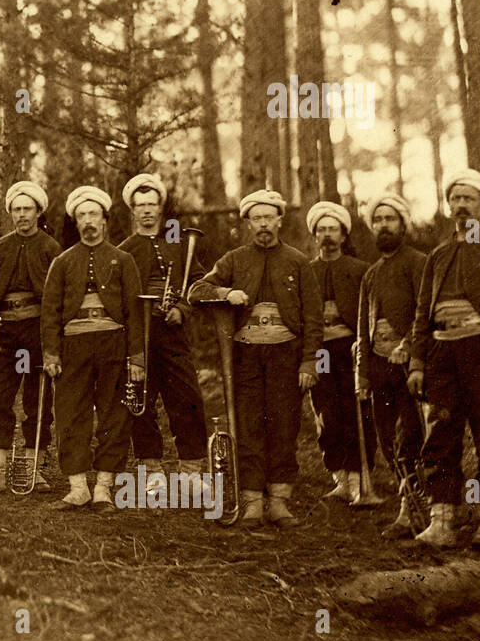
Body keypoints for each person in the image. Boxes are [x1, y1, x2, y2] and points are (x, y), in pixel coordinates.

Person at [188, 190, 323, 527]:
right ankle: (251, 502)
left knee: (283, 424)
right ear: (247, 223)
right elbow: (195, 291)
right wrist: (225, 292)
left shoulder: (297, 261)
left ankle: (278, 501)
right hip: (245, 356)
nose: (263, 224)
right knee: (247, 425)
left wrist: (308, 363)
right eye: (256, 218)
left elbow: (314, 319)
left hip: (286, 355)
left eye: (269, 217)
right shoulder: (234, 259)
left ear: (280, 220)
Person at [408, 169, 480, 546]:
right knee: (441, 433)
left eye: (468, 198)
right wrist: (417, 363)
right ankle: (443, 519)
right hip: (442, 350)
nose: (460, 205)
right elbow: (422, 311)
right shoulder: (439, 254)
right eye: (455, 198)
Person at [41, 186, 144, 512]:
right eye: (82, 215)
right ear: (75, 220)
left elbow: (134, 313)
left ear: (104, 219)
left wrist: (137, 357)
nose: (88, 221)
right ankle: (77, 488)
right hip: (73, 346)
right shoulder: (62, 262)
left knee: (116, 413)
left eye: (93, 214)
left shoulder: (123, 260)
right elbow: (50, 312)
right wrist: (51, 353)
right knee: (70, 413)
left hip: (113, 343)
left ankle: (103, 488)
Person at [117, 172, 208, 497]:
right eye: (139, 205)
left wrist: (182, 308)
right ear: (132, 210)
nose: (146, 211)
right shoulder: (124, 250)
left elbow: (198, 282)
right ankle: (151, 469)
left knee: (187, 399)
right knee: (141, 401)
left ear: (160, 207)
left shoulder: (178, 241)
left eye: (151, 204)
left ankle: (192, 472)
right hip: (139, 336)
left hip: (174, 334)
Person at [0, 180, 59, 495]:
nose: (22, 215)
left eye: (27, 209)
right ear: (11, 213)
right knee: (0, 399)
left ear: (38, 211)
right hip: (6, 331)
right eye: (16, 209)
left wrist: (52, 343)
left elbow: (57, 297)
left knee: (39, 401)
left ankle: (34, 470)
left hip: (37, 330)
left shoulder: (50, 247)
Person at [356, 195, 428, 538]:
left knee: (409, 436)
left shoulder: (418, 263)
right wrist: (363, 373)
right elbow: (362, 327)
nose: (383, 225)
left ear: (403, 224)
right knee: (386, 439)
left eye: (390, 219)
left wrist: (410, 348)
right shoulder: (371, 274)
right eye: (378, 219)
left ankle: (416, 508)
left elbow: (424, 312)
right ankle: (408, 504)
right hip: (379, 365)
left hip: (408, 365)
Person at [304, 201, 378, 506]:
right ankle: (340, 479)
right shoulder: (307, 271)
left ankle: (360, 478)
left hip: (351, 348)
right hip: (321, 349)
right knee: (326, 410)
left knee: (357, 410)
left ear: (343, 235)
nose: (327, 235)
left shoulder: (361, 270)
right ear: (315, 235)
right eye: (321, 230)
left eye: (332, 229)